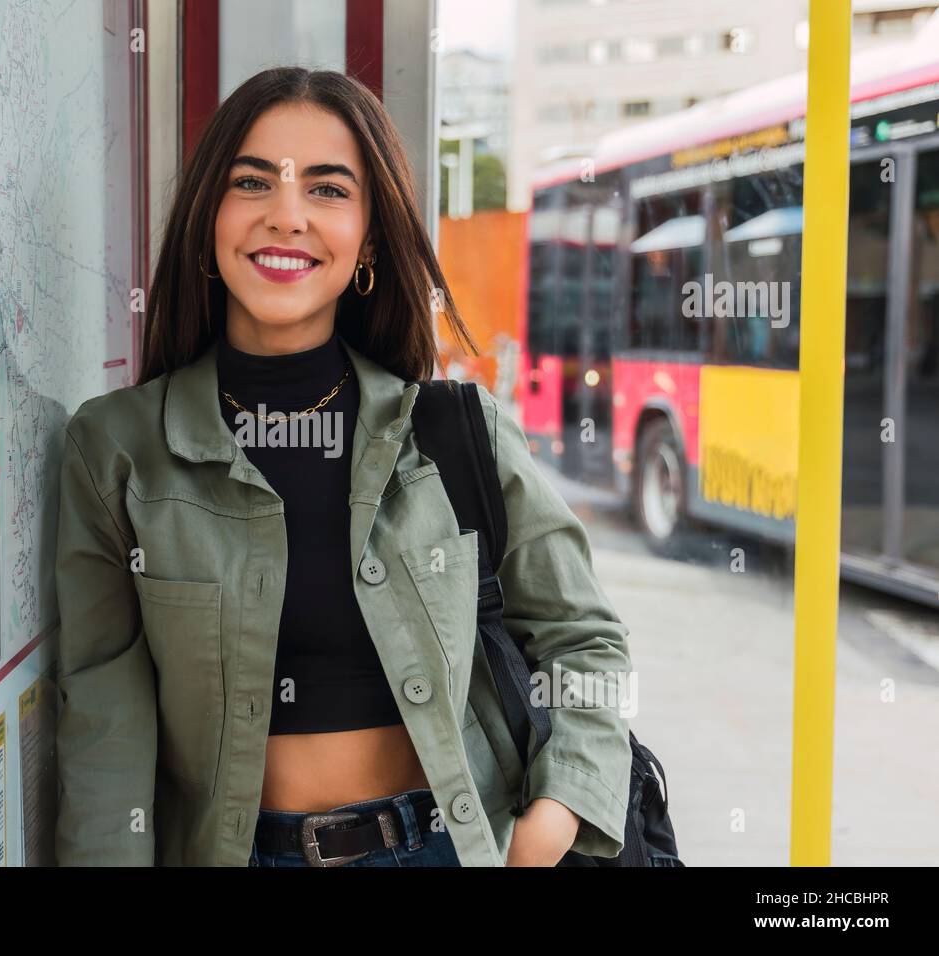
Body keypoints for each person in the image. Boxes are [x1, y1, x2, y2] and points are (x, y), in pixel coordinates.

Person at [54, 67, 634, 867]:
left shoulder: (457, 433)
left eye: (327, 190)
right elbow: (103, 730)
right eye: (251, 181)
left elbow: (584, 639)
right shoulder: (116, 451)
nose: (285, 215)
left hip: (449, 846)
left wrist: (557, 813)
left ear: (367, 237)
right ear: (208, 221)